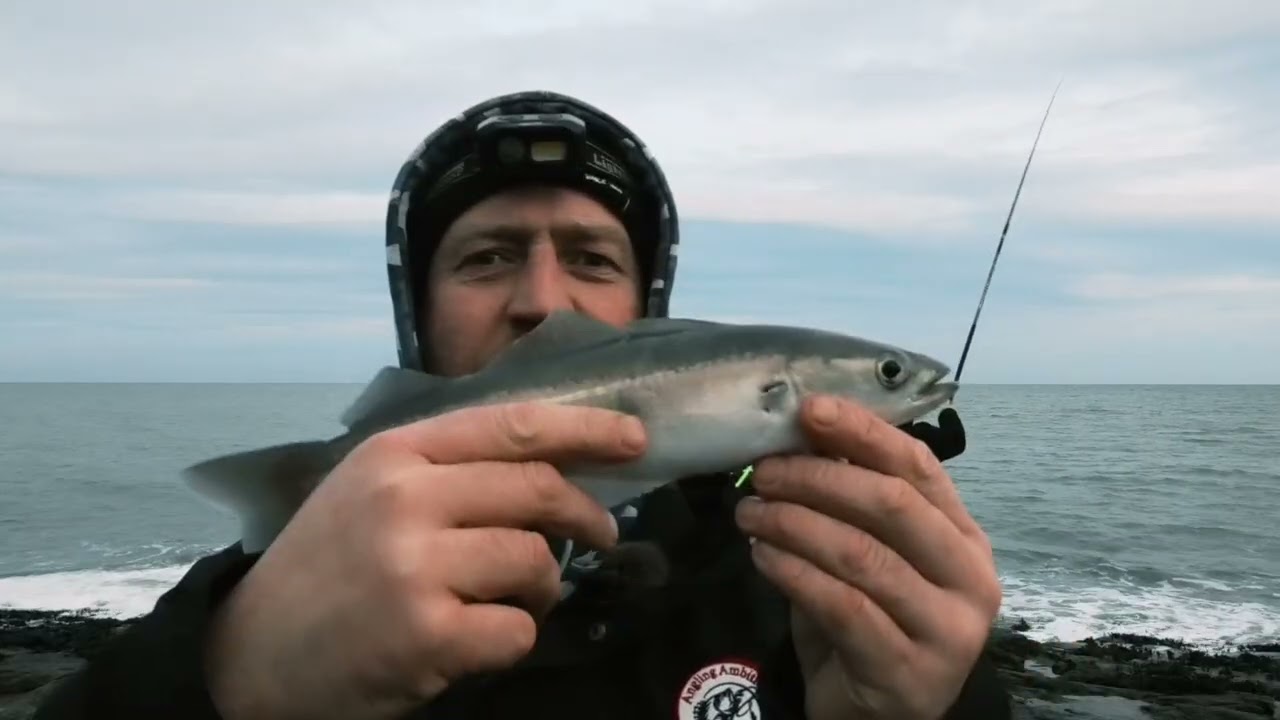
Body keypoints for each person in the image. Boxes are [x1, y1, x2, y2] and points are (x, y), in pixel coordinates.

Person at [35, 90, 1010, 720]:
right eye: (488, 255)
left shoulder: (789, 593)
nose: (543, 299)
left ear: (651, 316)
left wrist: (931, 709)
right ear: (411, 310)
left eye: (590, 258)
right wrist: (226, 678)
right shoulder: (273, 594)